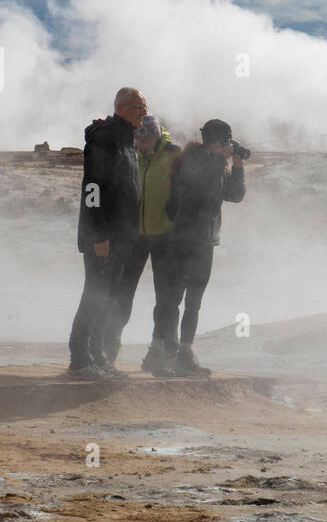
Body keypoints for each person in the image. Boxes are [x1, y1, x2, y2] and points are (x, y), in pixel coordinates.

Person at [68, 87, 145, 380]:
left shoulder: (127, 139)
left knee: (110, 296)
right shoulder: (105, 138)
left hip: (123, 235)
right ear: (122, 107)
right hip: (104, 236)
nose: (144, 113)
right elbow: (93, 188)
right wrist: (98, 234)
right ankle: (80, 357)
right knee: (95, 294)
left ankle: (98, 354)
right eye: (139, 107)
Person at [101, 115, 182, 377]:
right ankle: (107, 351)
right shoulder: (130, 154)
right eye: (139, 139)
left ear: (158, 137)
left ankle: (160, 354)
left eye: (147, 140)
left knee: (167, 299)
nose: (142, 144)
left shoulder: (174, 157)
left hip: (166, 236)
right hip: (133, 235)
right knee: (121, 294)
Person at [166, 118, 246, 376]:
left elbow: (235, 195)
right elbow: (198, 190)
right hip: (184, 238)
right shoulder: (193, 159)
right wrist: (219, 160)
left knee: (194, 301)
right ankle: (167, 353)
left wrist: (238, 165)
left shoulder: (216, 163)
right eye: (226, 142)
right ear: (218, 141)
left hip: (205, 240)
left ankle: (185, 354)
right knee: (175, 298)